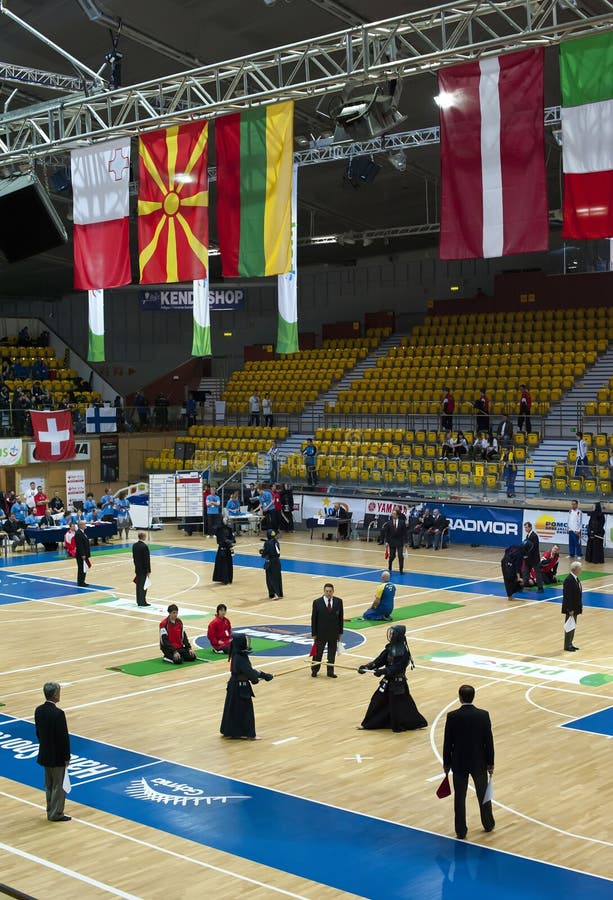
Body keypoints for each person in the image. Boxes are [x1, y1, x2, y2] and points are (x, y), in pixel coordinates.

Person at [443, 684, 495, 841]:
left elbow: (448, 742)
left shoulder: (452, 716)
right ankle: (488, 823)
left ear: (459, 697)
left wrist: (447, 763)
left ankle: (460, 830)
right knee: (483, 795)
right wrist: (490, 762)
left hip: (459, 763)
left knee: (459, 797)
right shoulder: (483, 715)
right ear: (474, 696)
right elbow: (489, 741)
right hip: (479, 762)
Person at [357, 625, 427, 732]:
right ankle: (368, 724)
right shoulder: (389, 648)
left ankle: (416, 723)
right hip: (388, 681)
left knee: (402, 705)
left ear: (398, 635)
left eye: (393, 633)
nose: (391, 635)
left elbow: (397, 668)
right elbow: (379, 660)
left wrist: (383, 671)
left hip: (398, 684)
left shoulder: (405, 653)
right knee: (377, 700)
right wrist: (367, 667)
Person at [220, 634, 273, 739]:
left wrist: (255, 678)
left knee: (234, 710)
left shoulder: (237, 654)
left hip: (235, 686)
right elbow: (250, 672)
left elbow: (249, 672)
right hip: (240, 687)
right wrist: (264, 676)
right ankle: (248, 734)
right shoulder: (239, 657)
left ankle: (231, 731)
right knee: (246, 711)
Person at [34, 682, 71, 821]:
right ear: (55, 694)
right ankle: (56, 814)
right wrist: (66, 756)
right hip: (57, 756)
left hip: (45, 753)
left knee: (49, 785)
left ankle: (50, 810)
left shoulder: (38, 710)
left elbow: (38, 732)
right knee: (58, 786)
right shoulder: (58, 713)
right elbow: (63, 738)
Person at [311, 583, 344, 678]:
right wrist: (314, 633)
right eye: (327, 591)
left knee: (331, 653)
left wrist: (340, 632)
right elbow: (314, 619)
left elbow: (340, 618)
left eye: (330, 591)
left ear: (333, 591)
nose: (328, 593)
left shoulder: (339, 601)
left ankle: (330, 672)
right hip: (321, 633)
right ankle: (314, 670)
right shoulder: (317, 602)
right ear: (324, 591)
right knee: (318, 653)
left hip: (333, 633)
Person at [562, 561, 583, 652]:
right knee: (569, 626)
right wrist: (570, 609)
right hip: (570, 608)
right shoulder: (569, 580)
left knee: (572, 626)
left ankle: (570, 643)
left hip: (575, 608)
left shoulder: (576, 579)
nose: (581, 570)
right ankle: (567, 645)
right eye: (580, 568)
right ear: (576, 569)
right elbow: (568, 596)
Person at [381, 508, 407, 573]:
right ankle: (390, 566)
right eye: (392, 514)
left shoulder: (402, 522)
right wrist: (386, 542)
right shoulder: (389, 523)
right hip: (392, 541)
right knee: (392, 556)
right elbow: (387, 533)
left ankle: (401, 570)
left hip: (400, 541)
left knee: (400, 556)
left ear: (397, 515)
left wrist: (405, 542)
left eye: (394, 514)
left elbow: (404, 533)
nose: (393, 515)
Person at [260, 528, 283, 599]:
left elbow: (264, 554)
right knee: (277, 578)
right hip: (277, 561)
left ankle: (273, 594)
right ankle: (279, 594)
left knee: (270, 579)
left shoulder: (267, 543)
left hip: (270, 562)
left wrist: (261, 551)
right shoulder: (276, 542)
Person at [212, 519, 236, 585]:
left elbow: (232, 537)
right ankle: (224, 579)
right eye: (225, 519)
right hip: (223, 548)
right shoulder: (219, 529)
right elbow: (222, 539)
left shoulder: (229, 528)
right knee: (223, 564)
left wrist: (232, 542)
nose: (226, 521)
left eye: (227, 519)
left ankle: (227, 579)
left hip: (228, 549)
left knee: (227, 564)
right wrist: (230, 542)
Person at [522, 522, 544, 592]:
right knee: (525, 572)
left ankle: (540, 588)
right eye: (525, 527)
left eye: (526, 527)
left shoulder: (534, 536)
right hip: (528, 559)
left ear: (530, 527)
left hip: (534, 559)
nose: (525, 529)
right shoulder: (527, 536)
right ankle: (525, 585)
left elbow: (533, 548)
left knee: (537, 573)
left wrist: (527, 554)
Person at [132, 531, 151, 606]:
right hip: (143, 570)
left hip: (137, 568)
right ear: (143, 537)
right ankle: (142, 602)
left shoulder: (134, 545)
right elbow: (146, 559)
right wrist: (148, 570)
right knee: (144, 586)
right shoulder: (144, 546)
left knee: (138, 585)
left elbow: (134, 557)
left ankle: (138, 600)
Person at [74, 520, 91, 587]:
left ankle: (82, 581)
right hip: (81, 555)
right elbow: (79, 545)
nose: (85, 525)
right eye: (84, 524)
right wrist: (83, 554)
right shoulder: (78, 534)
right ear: (80, 525)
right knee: (81, 568)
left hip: (84, 554)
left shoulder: (82, 532)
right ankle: (80, 582)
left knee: (84, 568)